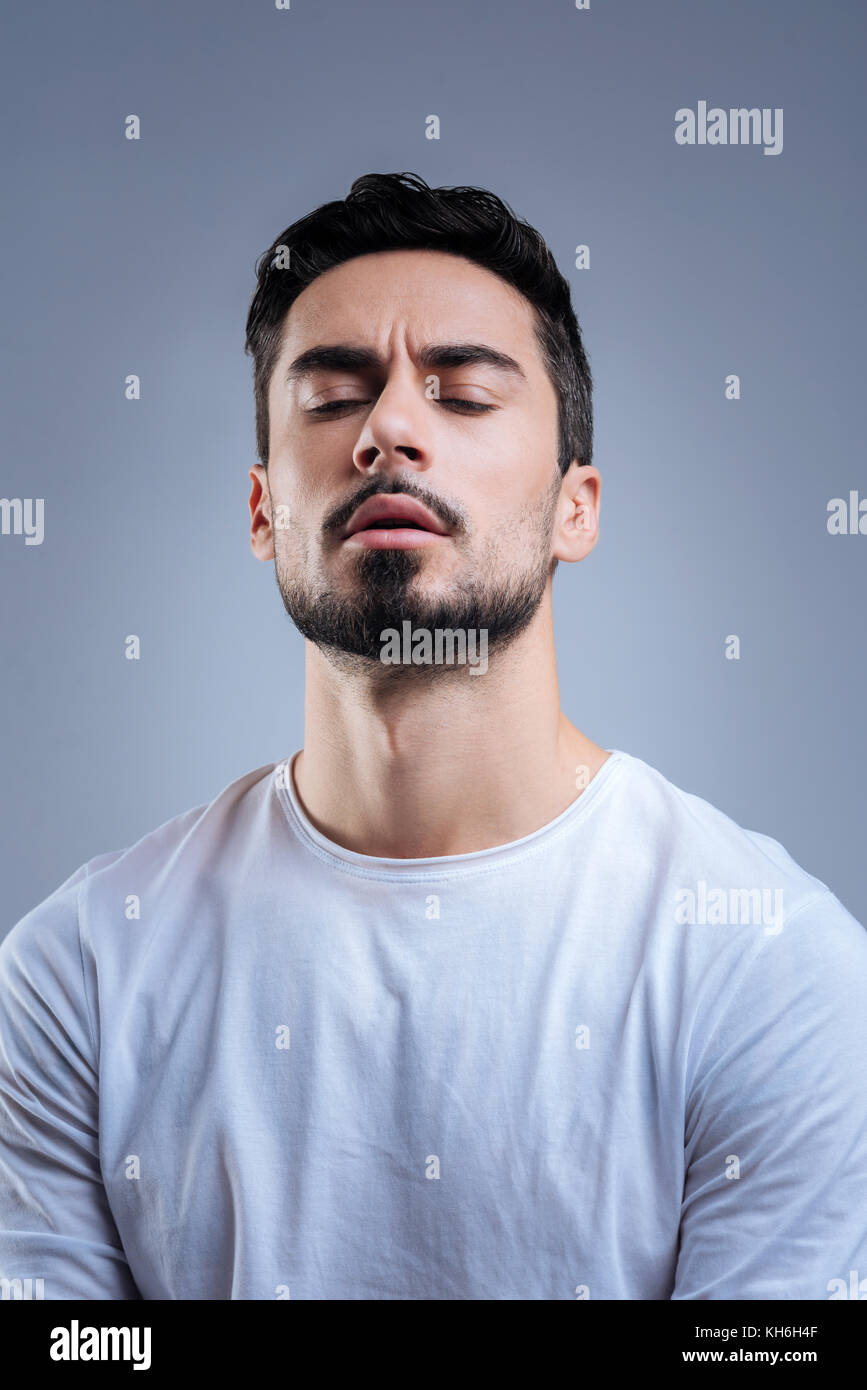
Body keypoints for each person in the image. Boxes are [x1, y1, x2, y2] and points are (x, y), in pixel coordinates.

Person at [1, 172, 866, 1302]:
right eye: (332, 396)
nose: (390, 429)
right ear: (263, 510)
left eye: (461, 393)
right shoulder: (75, 979)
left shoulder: (772, 967)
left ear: (577, 505)